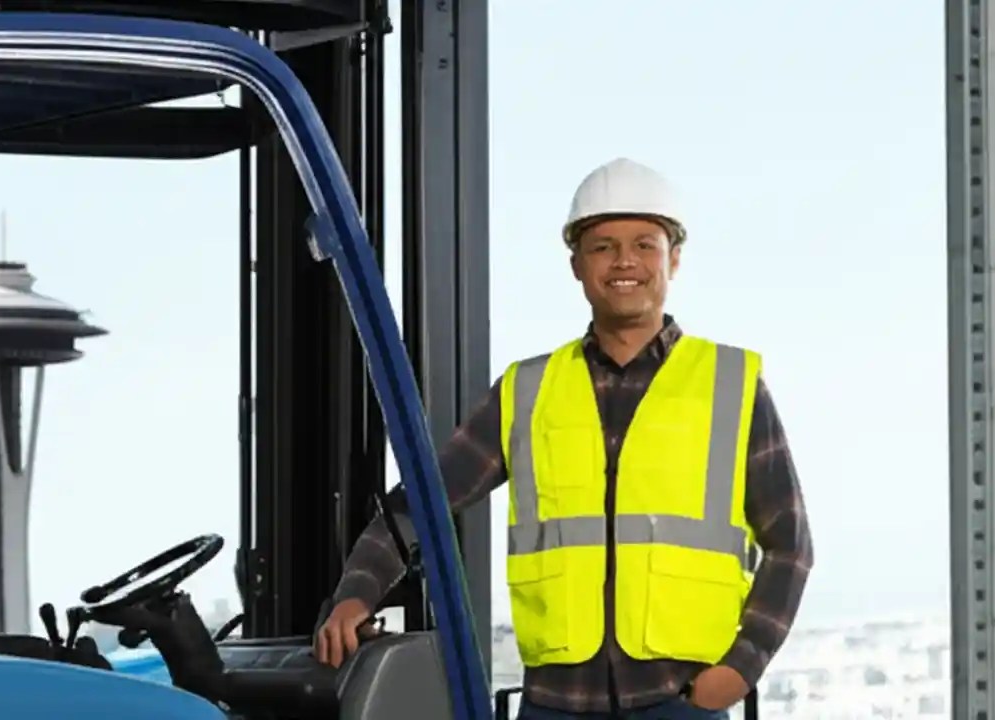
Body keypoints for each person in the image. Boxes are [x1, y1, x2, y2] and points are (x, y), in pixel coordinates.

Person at [312, 157, 813, 719]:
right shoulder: (526, 390)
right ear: (576, 264)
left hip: (682, 701)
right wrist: (357, 591)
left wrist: (742, 667)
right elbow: (416, 508)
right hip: (556, 704)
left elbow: (791, 544)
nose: (625, 261)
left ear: (674, 259)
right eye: (603, 247)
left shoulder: (731, 384)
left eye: (645, 244)